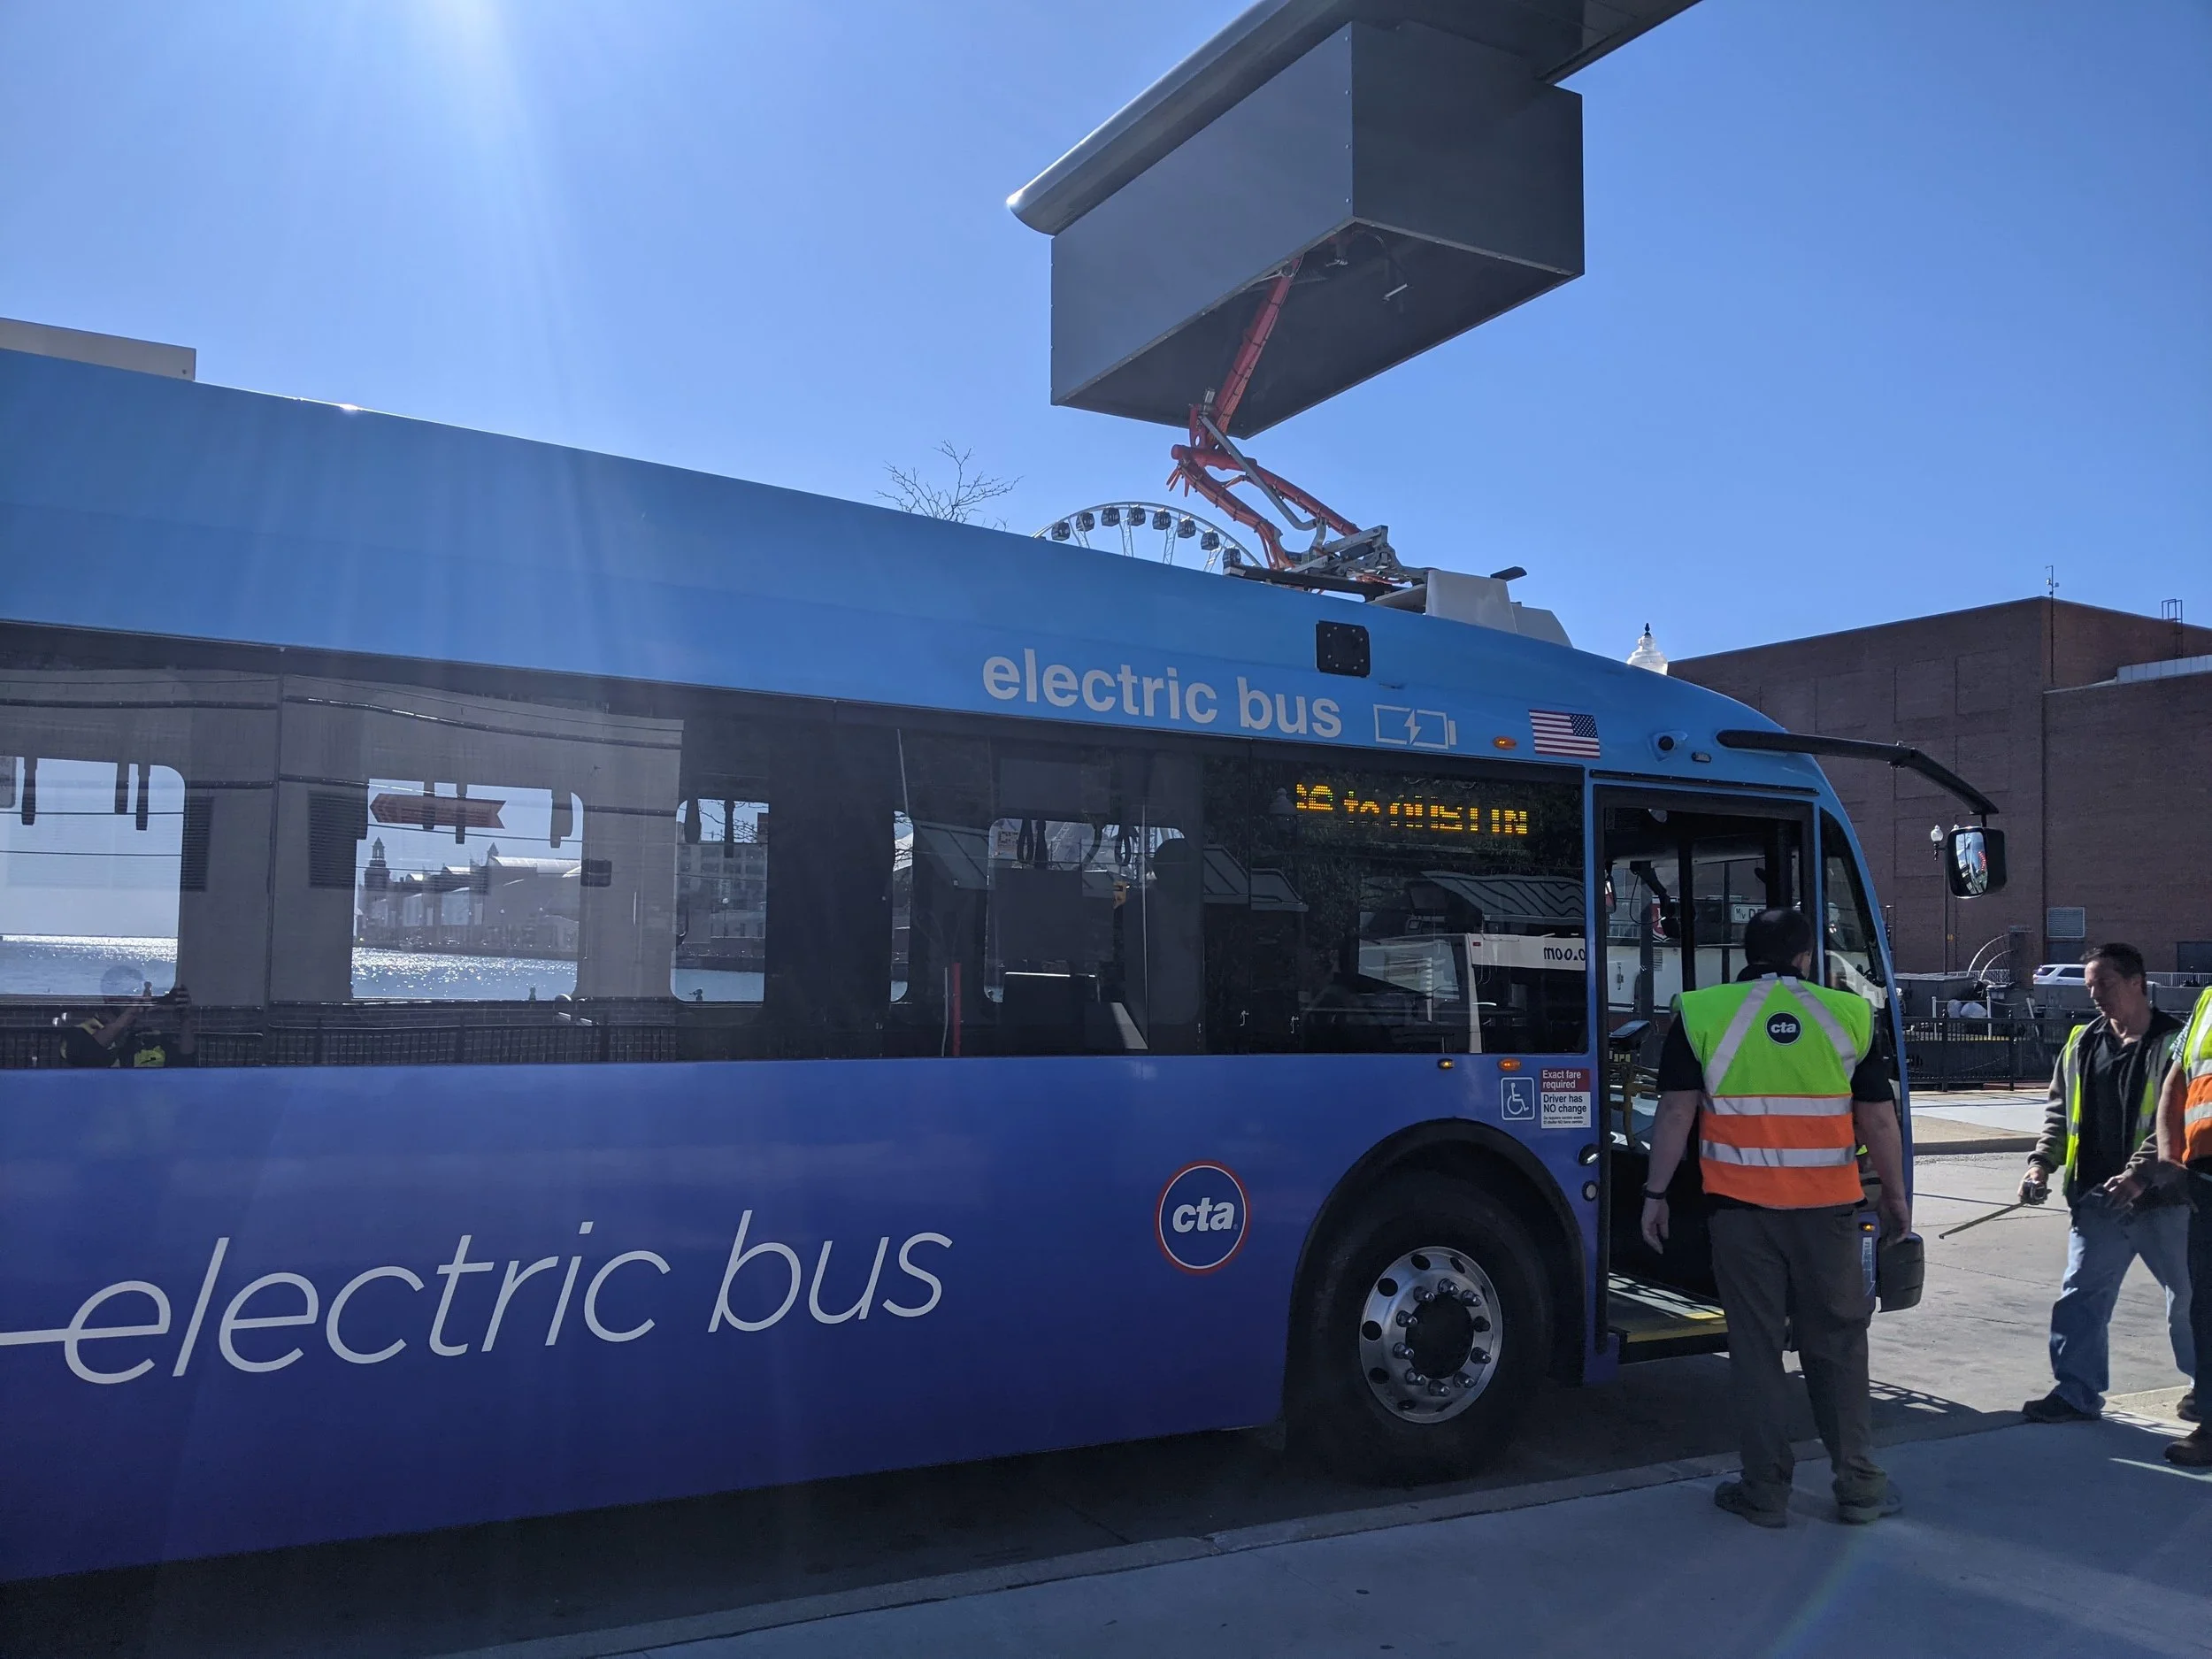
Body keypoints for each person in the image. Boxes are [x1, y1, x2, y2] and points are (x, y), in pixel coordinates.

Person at [1641, 907, 1909, 1528]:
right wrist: (1895, 1196)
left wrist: (1655, 1194)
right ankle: (1860, 1485)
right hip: (1828, 1213)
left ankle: (1765, 1491)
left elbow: (1677, 1112)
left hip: (1740, 1215)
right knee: (1838, 1344)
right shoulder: (1848, 1016)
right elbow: (1877, 1119)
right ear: (1804, 956)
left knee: (1757, 1351)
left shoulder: (1704, 1012)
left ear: (1746, 951)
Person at [2017, 943, 2193, 1425]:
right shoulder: (2082, 1043)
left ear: (2137, 982)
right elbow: (2059, 1114)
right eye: (2090, 986)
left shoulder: (2176, 1044)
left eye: (2105, 985)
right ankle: (2076, 1392)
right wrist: (2040, 1166)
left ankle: (2206, 1389)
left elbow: (2174, 1121)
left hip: (2164, 1199)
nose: (2095, 995)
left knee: (2190, 1299)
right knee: (2080, 1298)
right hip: (2097, 1200)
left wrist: (2138, 1176)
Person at [2157, 982, 2212, 1465]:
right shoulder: (2206, 1002)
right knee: (2207, 1306)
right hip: (2206, 1176)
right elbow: (2176, 1081)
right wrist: (2171, 1157)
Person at [61, 965, 196, 1068]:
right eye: (127, 992)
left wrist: (185, 1017)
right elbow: (81, 1056)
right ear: (109, 997)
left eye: (137, 991)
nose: (134, 997)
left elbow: (185, 1062)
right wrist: (128, 1016)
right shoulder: (84, 1031)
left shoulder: (147, 1036)